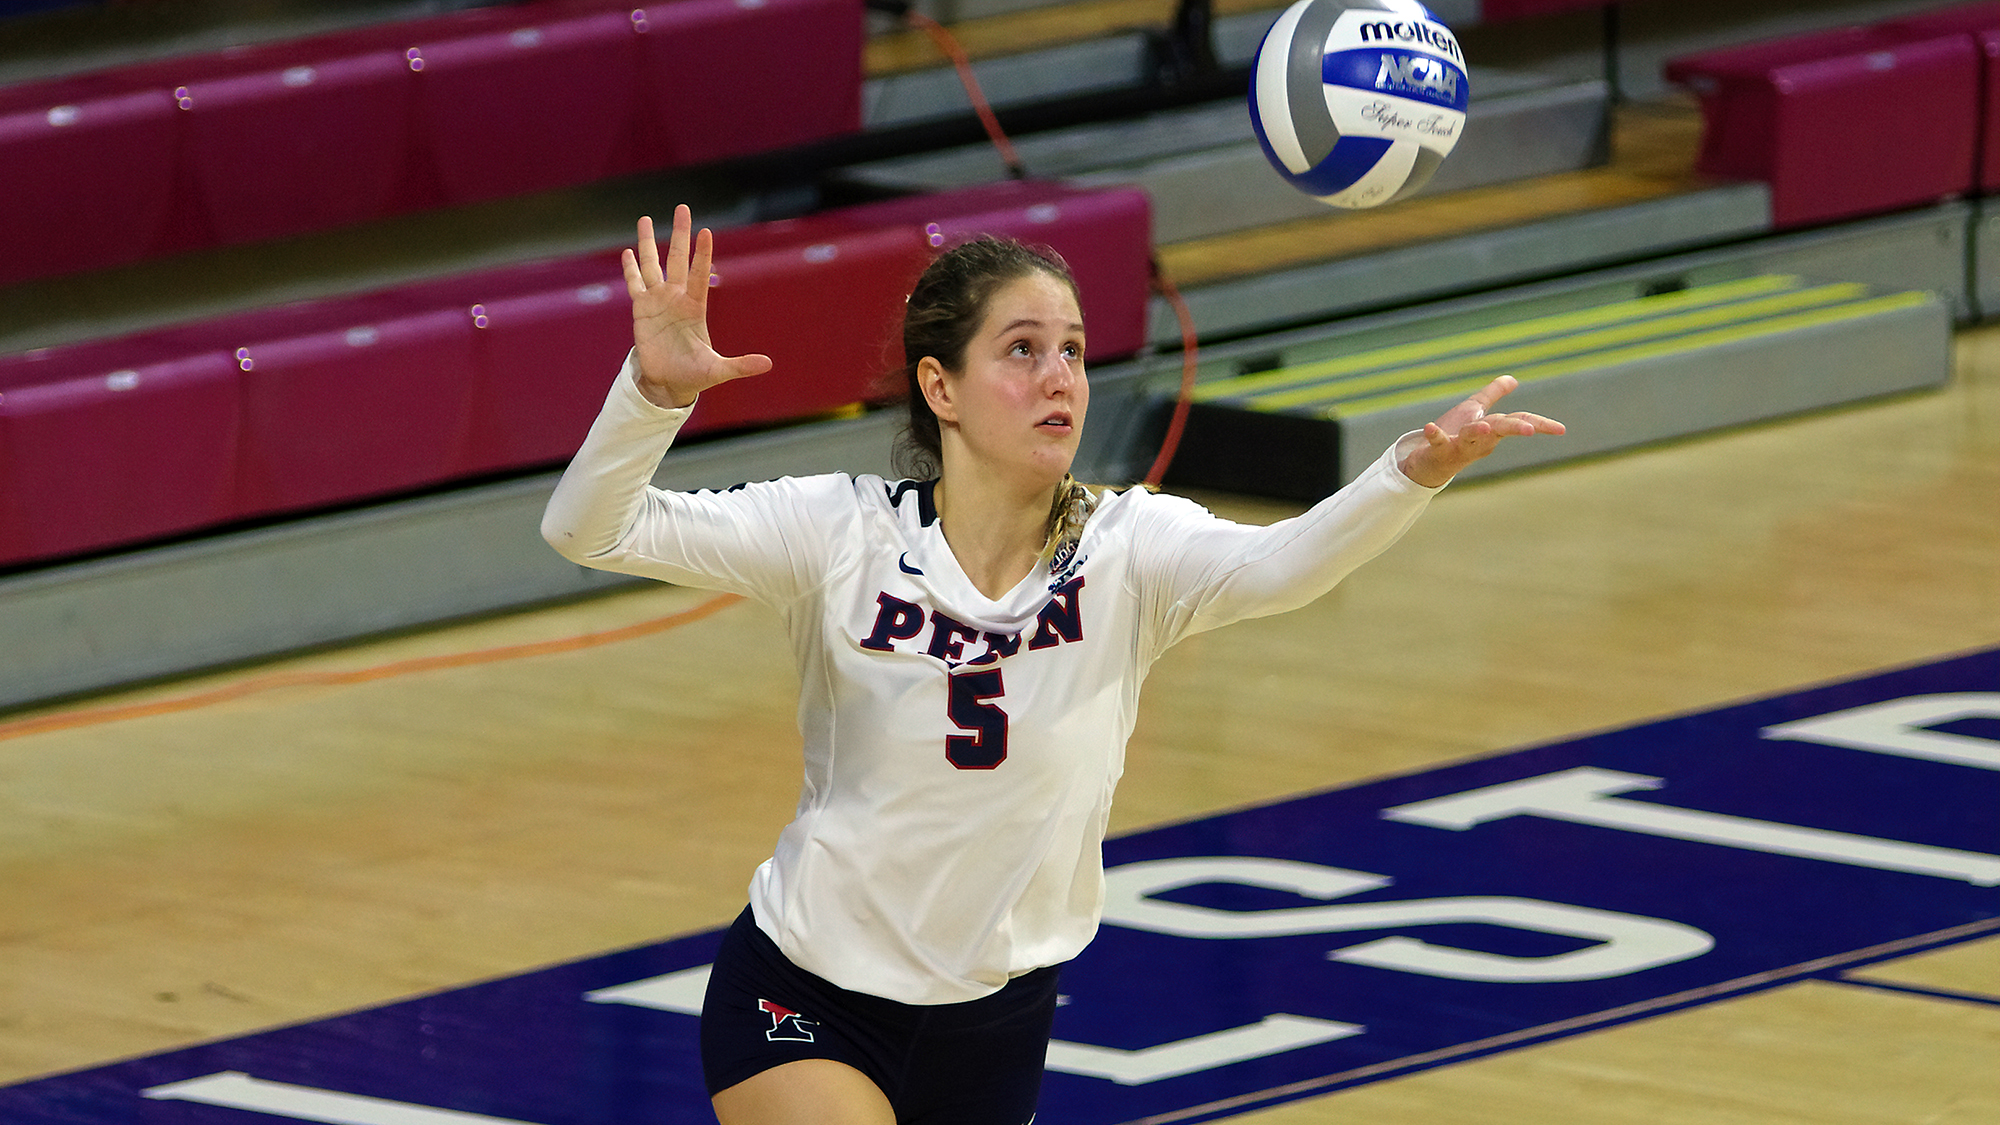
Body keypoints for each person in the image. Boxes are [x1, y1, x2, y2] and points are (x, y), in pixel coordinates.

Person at [540, 206, 1564, 1125]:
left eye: (1071, 351)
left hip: (995, 1023)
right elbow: (589, 529)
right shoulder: (836, 533)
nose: (1057, 378)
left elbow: (1279, 567)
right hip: (804, 993)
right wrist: (650, 396)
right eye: (1021, 350)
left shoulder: (1128, 549)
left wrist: (1405, 473)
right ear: (938, 386)